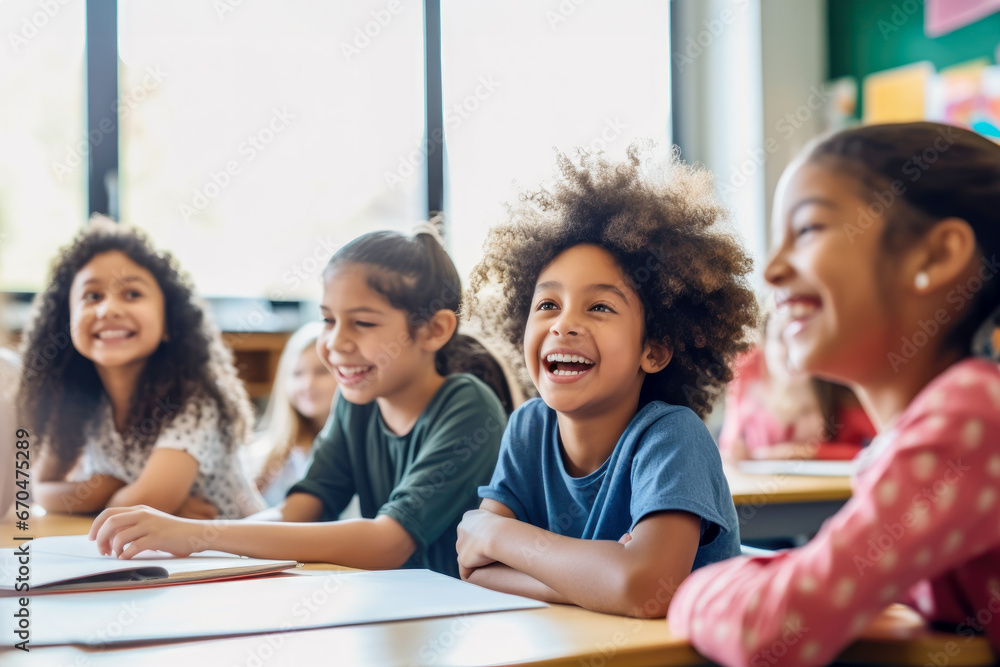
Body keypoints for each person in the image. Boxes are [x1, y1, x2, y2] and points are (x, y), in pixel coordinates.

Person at [667, 122, 1000, 665]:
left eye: (809, 229)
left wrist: (686, 591)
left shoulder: (969, 418)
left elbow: (770, 629)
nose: (771, 270)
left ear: (935, 258)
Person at [91, 227, 509, 577]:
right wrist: (195, 540)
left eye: (362, 322)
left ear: (434, 330)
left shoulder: (468, 407)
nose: (335, 342)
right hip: (393, 612)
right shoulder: (357, 403)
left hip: (457, 622)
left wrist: (200, 536)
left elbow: (387, 543)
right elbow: (300, 509)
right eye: (328, 320)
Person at [455, 145, 759, 617]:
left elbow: (644, 589)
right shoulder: (529, 427)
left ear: (653, 350)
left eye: (599, 307)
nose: (563, 325)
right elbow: (473, 571)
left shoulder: (672, 437)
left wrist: (498, 534)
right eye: (547, 305)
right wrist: (599, 582)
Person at [19, 217, 262, 519]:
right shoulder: (80, 400)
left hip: (235, 560)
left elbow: (151, 502)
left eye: (132, 294)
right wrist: (103, 488)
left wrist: (106, 499)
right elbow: (39, 488)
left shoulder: (192, 401)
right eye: (92, 296)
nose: (109, 309)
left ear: (169, 324)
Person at [718, 314, 875, 462]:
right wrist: (736, 451)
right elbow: (729, 445)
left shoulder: (841, 390)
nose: (792, 350)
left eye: (801, 336)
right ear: (764, 344)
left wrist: (800, 452)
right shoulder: (747, 367)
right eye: (780, 338)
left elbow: (882, 447)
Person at [244, 321, 337, 506]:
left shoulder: (352, 454)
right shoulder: (261, 457)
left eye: (321, 372)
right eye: (297, 373)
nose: (308, 384)